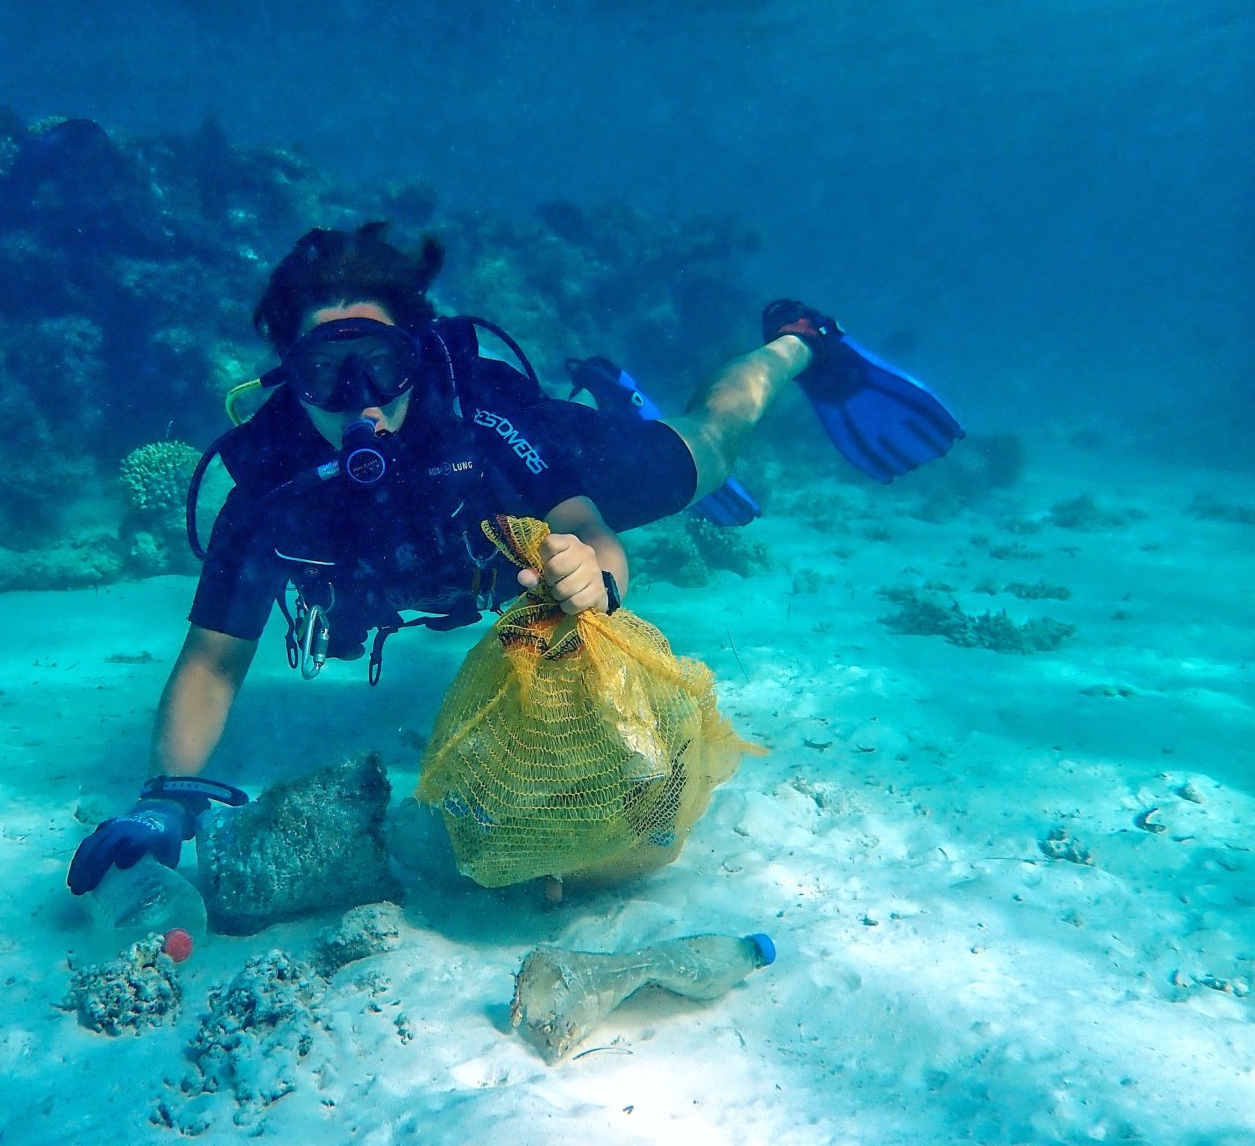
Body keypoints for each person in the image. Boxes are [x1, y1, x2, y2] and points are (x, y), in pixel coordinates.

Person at [66, 222, 962, 895]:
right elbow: (213, 661)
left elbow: (590, 531)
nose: (357, 401)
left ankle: (799, 340)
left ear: (415, 361)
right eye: (325, 375)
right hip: (475, 538)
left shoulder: (488, 426)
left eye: (376, 364)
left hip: (556, 458)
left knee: (708, 447)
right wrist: (165, 799)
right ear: (285, 378)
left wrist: (593, 577)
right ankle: (615, 389)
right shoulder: (268, 482)